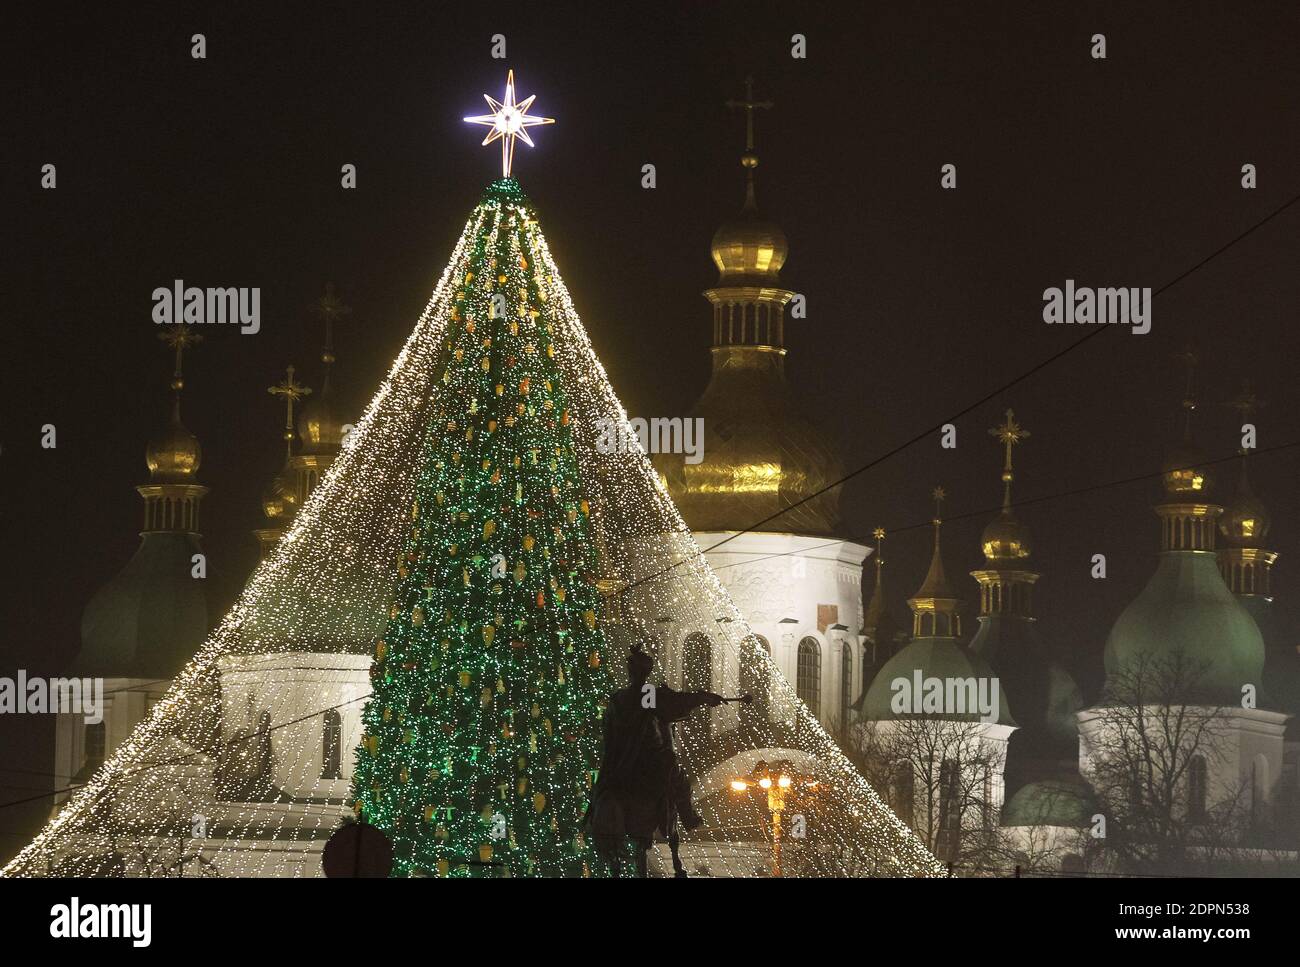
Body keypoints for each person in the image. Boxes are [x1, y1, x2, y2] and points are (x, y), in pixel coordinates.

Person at [587, 646, 723, 877]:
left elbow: (609, 730)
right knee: (679, 779)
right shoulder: (649, 693)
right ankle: (688, 817)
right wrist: (704, 698)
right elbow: (676, 703)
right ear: (645, 673)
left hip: (619, 762)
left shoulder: (618, 697)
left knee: (602, 787)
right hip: (649, 759)